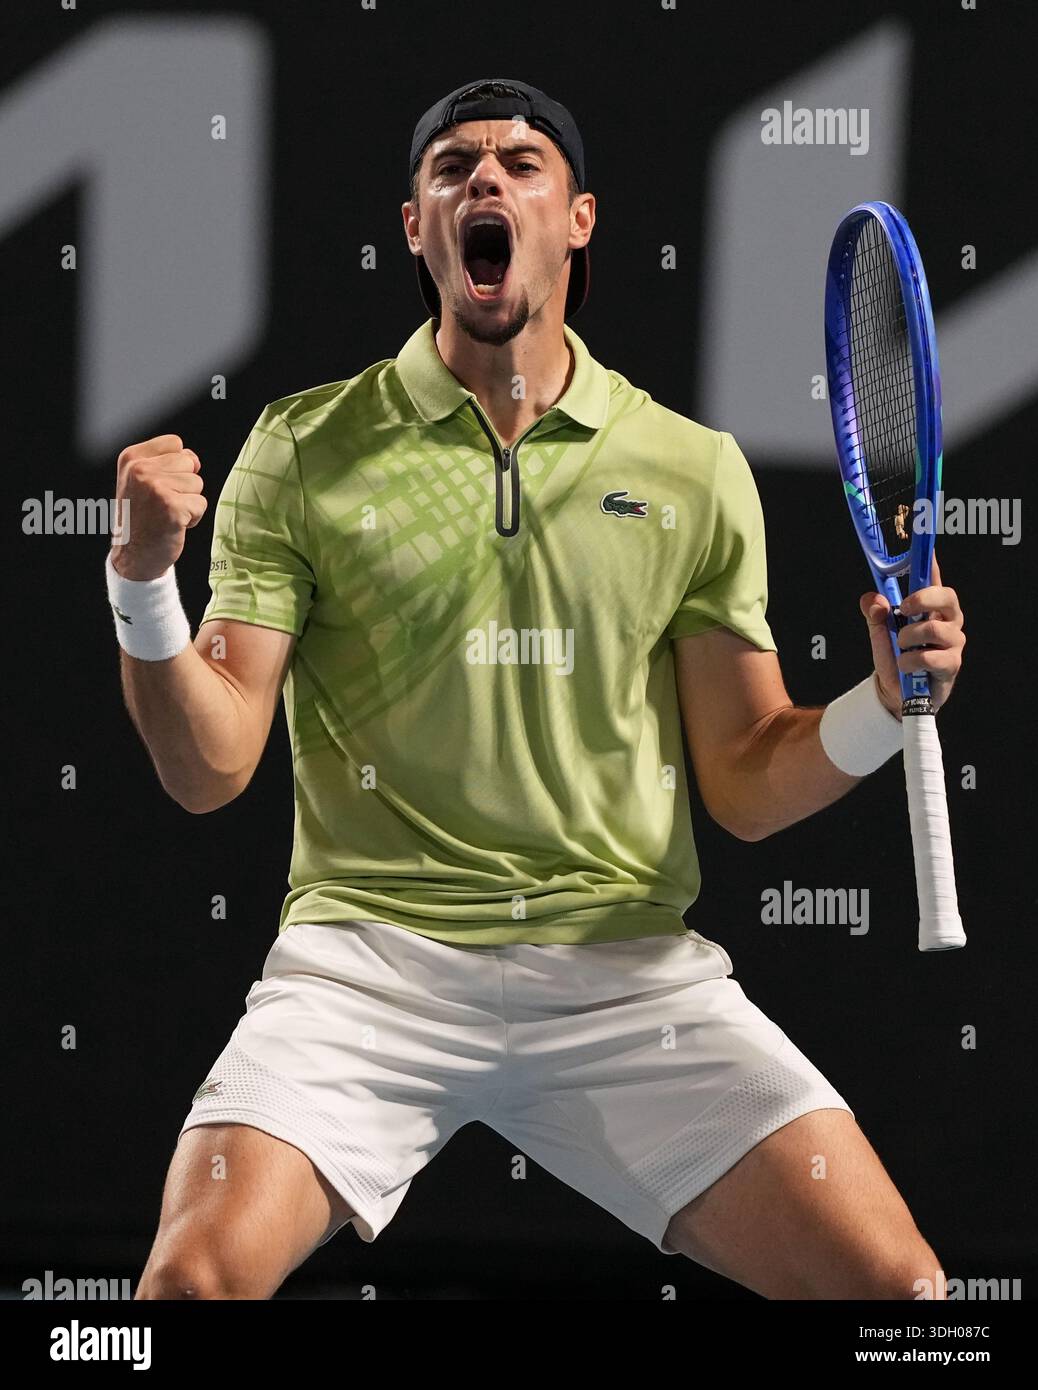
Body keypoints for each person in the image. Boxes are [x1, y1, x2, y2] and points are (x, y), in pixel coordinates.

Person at [107, 80, 966, 1300]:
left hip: (623, 979)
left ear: (578, 219)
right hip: (365, 971)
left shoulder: (691, 468)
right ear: (417, 228)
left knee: (905, 1303)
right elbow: (209, 769)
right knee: (185, 1293)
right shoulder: (304, 447)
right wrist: (143, 586)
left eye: (520, 161)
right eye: (452, 167)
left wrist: (880, 705)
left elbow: (744, 780)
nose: (485, 182)